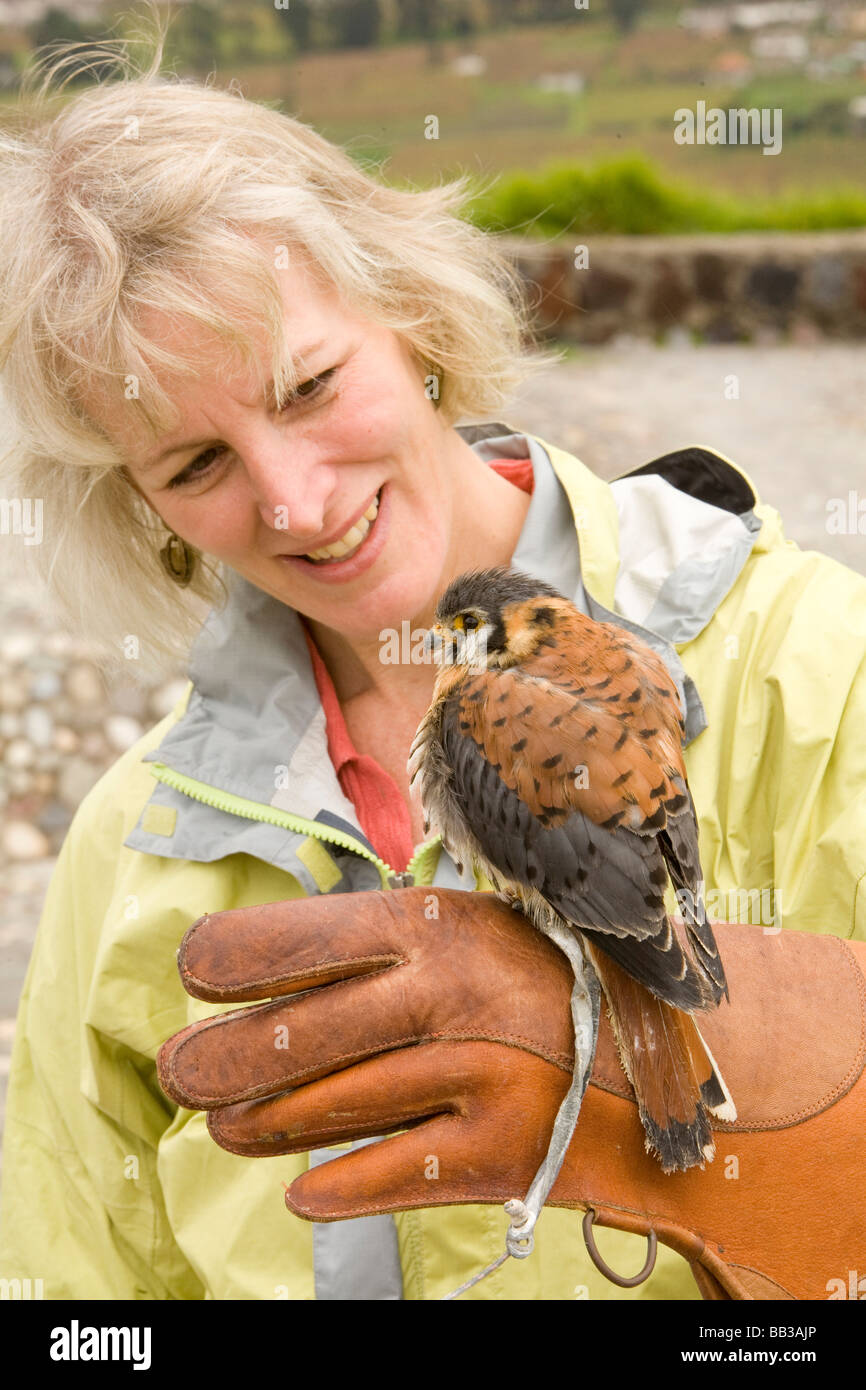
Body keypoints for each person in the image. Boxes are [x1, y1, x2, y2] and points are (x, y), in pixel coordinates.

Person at [1, 37, 865, 1302]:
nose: (295, 501)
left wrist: (701, 1067)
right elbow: (73, 1313)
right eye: (195, 465)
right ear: (140, 509)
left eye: (307, 385)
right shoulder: (139, 841)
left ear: (407, 314)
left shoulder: (810, 674)